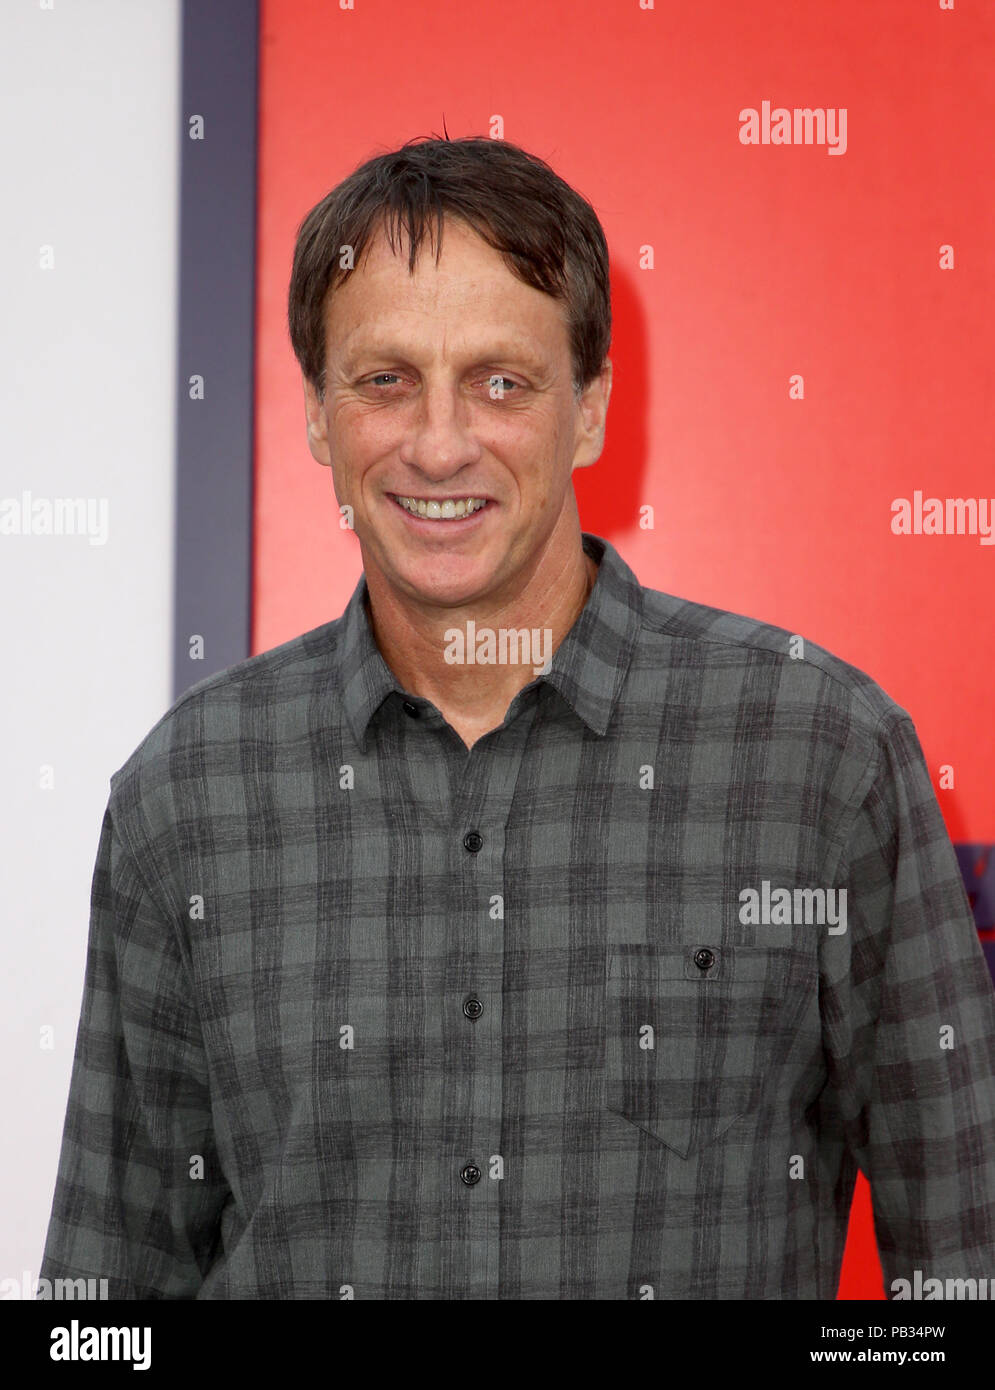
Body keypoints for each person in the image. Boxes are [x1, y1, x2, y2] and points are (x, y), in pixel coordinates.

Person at [39, 135, 995, 1299]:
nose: (438, 443)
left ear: (586, 410)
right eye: (384, 379)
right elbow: (104, 1306)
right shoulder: (184, 797)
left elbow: (964, 1264)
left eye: (500, 381)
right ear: (314, 418)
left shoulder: (821, 759)